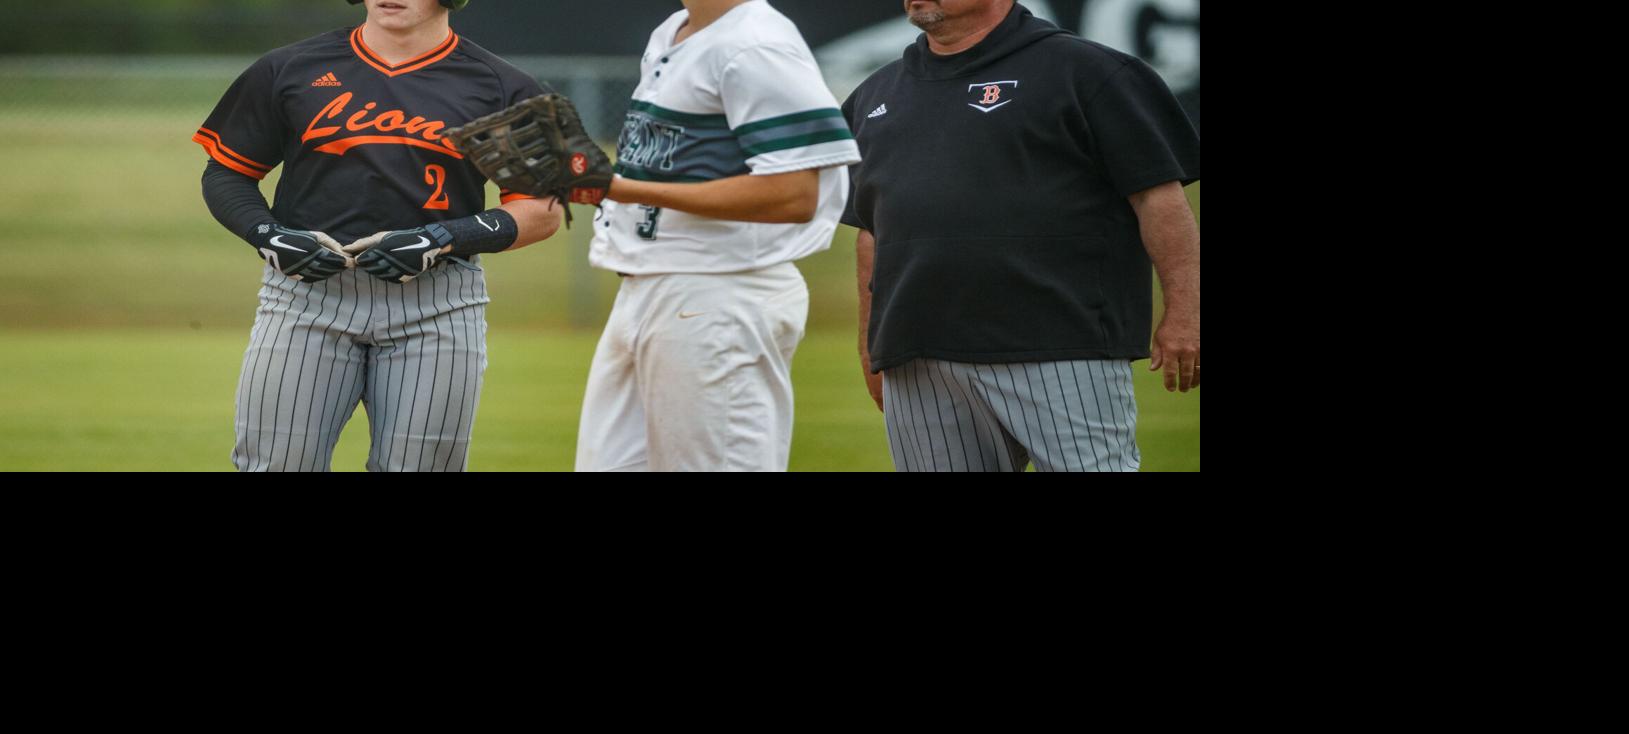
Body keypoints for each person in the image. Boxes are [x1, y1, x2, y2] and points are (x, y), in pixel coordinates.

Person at [194, 0, 561, 472]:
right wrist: (268, 235)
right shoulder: (290, 68)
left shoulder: (500, 85)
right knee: (277, 464)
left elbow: (543, 207)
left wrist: (444, 238)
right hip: (306, 298)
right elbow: (226, 173)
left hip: (437, 303)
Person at [841, 0, 1201, 472]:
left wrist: (1187, 314)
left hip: (1060, 346)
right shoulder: (875, 93)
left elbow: (1159, 200)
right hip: (918, 354)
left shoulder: (1089, 72)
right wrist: (873, 346)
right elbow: (870, 232)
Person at [575, 0, 862, 472]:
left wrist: (619, 188)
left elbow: (792, 194)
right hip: (653, 287)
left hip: (722, 292)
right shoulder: (674, 31)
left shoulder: (756, 43)